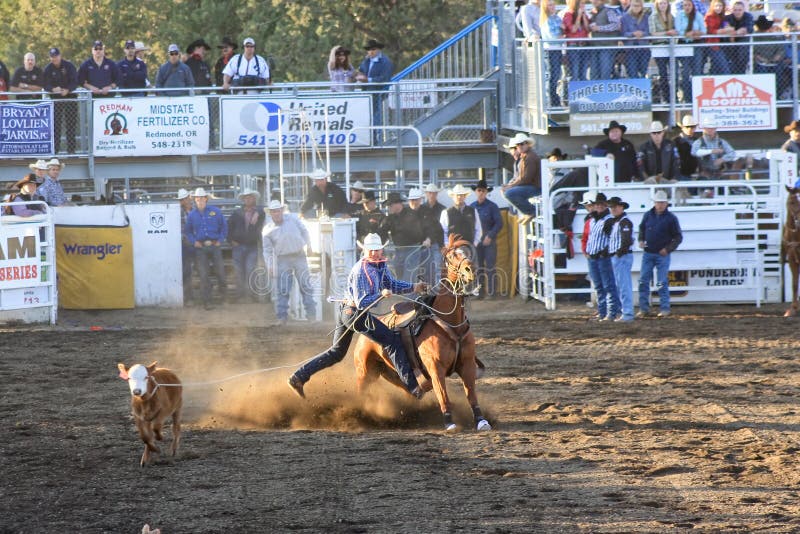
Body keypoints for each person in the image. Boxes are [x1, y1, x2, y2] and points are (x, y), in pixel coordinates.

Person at [287, 232, 427, 400]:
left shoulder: (380, 265)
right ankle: (413, 387)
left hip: (347, 311)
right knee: (392, 341)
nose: (374, 252)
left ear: (381, 250)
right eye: (371, 250)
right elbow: (362, 302)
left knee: (336, 353)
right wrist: (381, 294)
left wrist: (414, 287)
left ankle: (299, 377)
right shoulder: (362, 270)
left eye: (377, 249)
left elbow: (392, 284)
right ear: (365, 250)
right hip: (355, 313)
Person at [262, 199, 316, 325]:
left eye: (278, 211)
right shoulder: (267, 229)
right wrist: (270, 265)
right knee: (283, 289)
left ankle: (311, 316)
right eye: (274, 211)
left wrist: (309, 246)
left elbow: (304, 231)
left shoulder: (293, 219)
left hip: (299, 255)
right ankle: (282, 317)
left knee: (305, 286)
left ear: (282, 211)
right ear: (270, 213)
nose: (276, 213)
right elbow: (267, 250)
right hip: (283, 258)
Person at [637, 190, 682, 317]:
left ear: (666, 203)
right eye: (658, 202)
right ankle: (645, 309)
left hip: (661, 254)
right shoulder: (648, 215)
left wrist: (667, 249)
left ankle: (663, 308)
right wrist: (641, 240)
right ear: (655, 203)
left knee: (660, 281)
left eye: (662, 203)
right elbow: (642, 229)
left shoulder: (671, 218)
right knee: (644, 280)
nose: (660, 205)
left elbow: (678, 237)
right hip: (650, 253)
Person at [185, 187, 228, 310]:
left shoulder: (215, 211)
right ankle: (207, 301)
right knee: (204, 274)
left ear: (206, 199)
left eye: (202, 198)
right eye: (197, 199)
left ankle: (224, 297)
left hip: (214, 245)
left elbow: (224, 227)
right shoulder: (192, 215)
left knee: (220, 271)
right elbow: (188, 232)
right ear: (195, 200)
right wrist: (194, 242)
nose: (200, 200)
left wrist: (220, 240)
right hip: (201, 247)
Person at [585, 193, 620, 320]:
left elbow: (613, 238)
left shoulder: (608, 220)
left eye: (601, 204)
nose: (599, 206)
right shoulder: (593, 220)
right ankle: (603, 312)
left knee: (607, 285)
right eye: (597, 204)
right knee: (599, 286)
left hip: (602, 257)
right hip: (593, 256)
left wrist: (605, 251)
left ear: (605, 205)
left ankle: (612, 312)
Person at [228, 189, 265, 301]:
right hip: (238, 246)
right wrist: (230, 240)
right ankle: (241, 294)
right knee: (239, 271)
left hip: (252, 246)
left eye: (250, 197)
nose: (248, 199)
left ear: (254, 199)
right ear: (243, 200)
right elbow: (229, 227)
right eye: (246, 198)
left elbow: (266, 210)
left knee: (250, 269)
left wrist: (258, 211)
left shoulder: (260, 212)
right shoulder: (236, 213)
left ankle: (250, 294)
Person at [380, 192, 426, 280]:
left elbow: (421, 231)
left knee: (408, 277)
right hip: (399, 251)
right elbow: (383, 233)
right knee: (399, 277)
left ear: (398, 204)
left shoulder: (412, 214)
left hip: (412, 249)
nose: (389, 207)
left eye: (390, 205)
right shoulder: (390, 218)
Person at [355, 39, 393, 142]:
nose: (371, 52)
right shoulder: (366, 61)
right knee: (368, 116)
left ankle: (377, 139)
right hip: (366, 93)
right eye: (369, 50)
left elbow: (385, 78)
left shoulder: (385, 62)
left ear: (378, 50)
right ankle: (370, 138)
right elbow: (361, 71)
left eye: (373, 49)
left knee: (376, 116)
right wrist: (358, 76)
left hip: (378, 93)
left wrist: (368, 80)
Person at [471, 179, 503, 299]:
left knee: (490, 266)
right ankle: (480, 292)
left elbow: (499, 223)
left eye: (483, 191)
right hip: (477, 242)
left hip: (489, 241)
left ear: (486, 192)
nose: (481, 193)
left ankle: (492, 293)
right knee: (478, 267)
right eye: (479, 190)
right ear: (475, 191)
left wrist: (490, 235)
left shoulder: (492, 206)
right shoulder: (472, 207)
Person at [42, 48, 78, 154]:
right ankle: (55, 151)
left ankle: (71, 151)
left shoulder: (69, 66)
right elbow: (45, 84)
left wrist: (67, 90)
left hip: (70, 98)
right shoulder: (48, 69)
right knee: (55, 126)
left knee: (71, 125)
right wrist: (53, 89)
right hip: (55, 100)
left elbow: (75, 81)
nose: (55, 58)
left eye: (56, 56)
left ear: (60, 56)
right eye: (52, 57)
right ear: (50, 58)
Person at [501, 133, 541, 224]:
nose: (520, 146)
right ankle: (527, 212)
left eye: (522, 144)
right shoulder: (526, 156)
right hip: (532, 186)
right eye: (518, 144)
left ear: (527, 144)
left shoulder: (529, 158)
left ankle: (531, 211)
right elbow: (522, 178)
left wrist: (510, 186)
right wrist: (511, 185)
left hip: (536, 187)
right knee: (508, 192)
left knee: (509, 193)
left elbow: (526, 178)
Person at [606, 196, 634, 321]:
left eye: (615, 207)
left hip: (621, 256)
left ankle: (627, 313)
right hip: (620, 256)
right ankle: (626, 312)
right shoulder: (619, 222)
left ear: (621, 207)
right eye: (612, 207)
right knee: (622, 285)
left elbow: (626, 240)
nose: (613, 209)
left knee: (623, 286)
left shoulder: (624, 222)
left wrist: (619, 252)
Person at [675, 0, 705, 103]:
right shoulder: (679, 15)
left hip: (696, 44)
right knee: (685, 72)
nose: (687, 7)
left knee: (697, 71)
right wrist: (686, 34)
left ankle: (697, 97)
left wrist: (697, 33)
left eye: (689, 5)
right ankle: (687, 98)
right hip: (684, 45)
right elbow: (678, 30)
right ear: (682, 6)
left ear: (692, 6)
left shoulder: (698, 15)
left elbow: (704, 30)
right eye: (685, 5)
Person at [649, 0, 678, 103]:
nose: (663, 5)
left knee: (674, 72)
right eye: (660, 3)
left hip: (671, 47)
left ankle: (674, 96)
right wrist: (667, 33)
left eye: (664, 3)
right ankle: (665, 98)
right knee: (663, 72)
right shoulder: (653, 17)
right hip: (659, 47)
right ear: (657, 5)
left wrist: (673, 33)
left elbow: (675, 30)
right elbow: (653, 33)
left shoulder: (671, 16)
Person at [418, 183, 446, 283]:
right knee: (425, 269)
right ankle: (428, 289)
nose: (431, 195)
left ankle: (436, 290)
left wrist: (442, 245)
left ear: (436, 194)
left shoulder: (442, 209)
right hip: (424, 243)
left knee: (437, 269)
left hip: (437, 243)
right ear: (426, 194)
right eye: (429, 193)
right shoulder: (421, 209)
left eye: (433, 193)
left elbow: (443, 228)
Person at [588, 0, 622, 80]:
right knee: (594, 74)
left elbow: (616, 25)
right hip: (595, 47)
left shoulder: (609, 11)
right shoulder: (591, 13)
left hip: (607, 47)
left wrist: (600, 28)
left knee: (605, 73)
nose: (594, 1)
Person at [540, 0, 565, 107]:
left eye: (553, 4)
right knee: (552, 76)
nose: (553, 7)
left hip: (557, 50)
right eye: (550, 5)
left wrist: (562, 34)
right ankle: (552, 101)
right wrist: (562, 36)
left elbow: (563, 30)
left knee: (557, 75)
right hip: (550, 50)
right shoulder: (546, 20)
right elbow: (552, 37)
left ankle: (555, 99)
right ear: (545, 7)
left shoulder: (557, 18)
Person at [621, 0, 651, 79]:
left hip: (644, 49)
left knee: (643, 72)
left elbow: (649, 32)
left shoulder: (646, 17)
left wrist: (642, 33)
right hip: (630, 49)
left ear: (642, 7)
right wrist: (633, 34)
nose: (636, 8)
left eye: (638, 6)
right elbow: (623, 33)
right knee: (632, 72)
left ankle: (642, 85)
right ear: (631, 6)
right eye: (634, 6)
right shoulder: (624, 17)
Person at [563, 0, 591, 83]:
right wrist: (578, 16)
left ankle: (583, 89)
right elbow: (573, 30)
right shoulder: (568, 15)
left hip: (584, 46)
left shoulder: (585, 15)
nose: (583, 5)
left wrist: (583, 16)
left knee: (583, 74)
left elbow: (588, 29)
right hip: (574, 46)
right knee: (574, 73)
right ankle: (573, 89)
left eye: (584, 3)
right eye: (581, 3)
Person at [704, 0, 733, 75]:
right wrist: (724, 30)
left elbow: (726, 24)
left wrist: (728, 28)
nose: (718, 8)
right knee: (724, 68)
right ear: (712, 6)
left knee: (716, 68)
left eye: (720, 6)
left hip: (720, 44)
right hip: (711, 45)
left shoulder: (721, 16)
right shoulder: (709, 16)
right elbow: (710, 31)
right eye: (716, 6)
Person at [724, 1, 753, 74]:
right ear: (732, 10)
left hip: (743, 44)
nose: (737, 12)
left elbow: (747, 29)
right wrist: (736, 33)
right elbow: (726, 29)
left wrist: (735, 33)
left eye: (739, 10)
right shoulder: (727, 18)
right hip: (730, 43)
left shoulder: (748, 16)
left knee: (742, 54)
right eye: (735, 10)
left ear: (744, 10)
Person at [177, 188, 195, 305]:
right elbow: (178, 229)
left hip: (196, 243)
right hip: (185, 245)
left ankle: (203, 296)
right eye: (182, 199)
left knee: (201, 269)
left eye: (186, 198)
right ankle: (188, 297)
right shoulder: (178, 213)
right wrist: (185, 238)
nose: (185, 201)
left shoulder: (195, 211)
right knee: (187, 270)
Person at [673, 114, 699, 180]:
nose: (690, 129)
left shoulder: (697, 141)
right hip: (681, 175)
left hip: (696, 174)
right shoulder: (675, 142)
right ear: (682, 128)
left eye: (692, 127)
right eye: (688, 127)